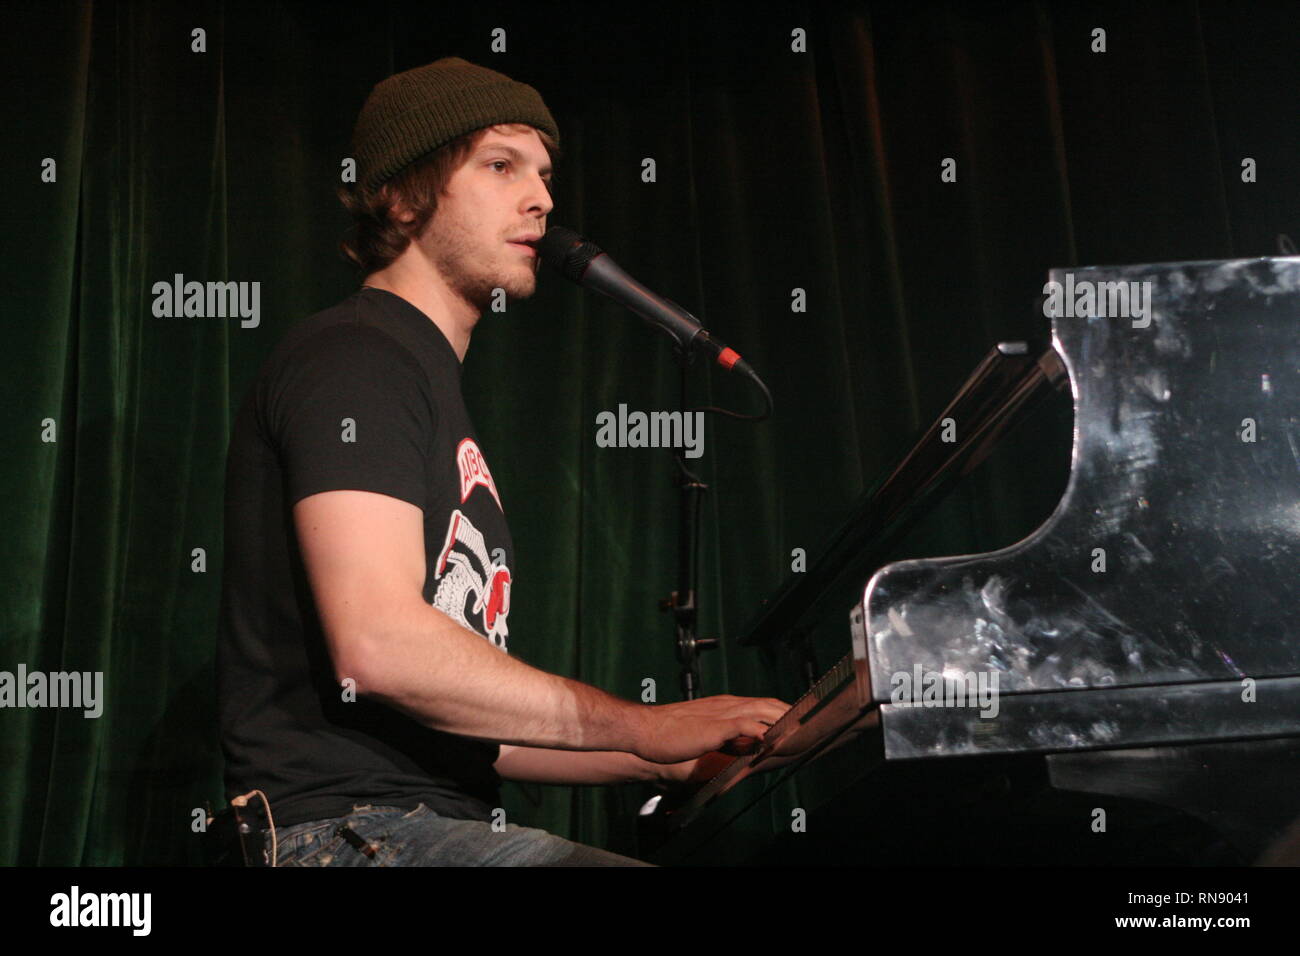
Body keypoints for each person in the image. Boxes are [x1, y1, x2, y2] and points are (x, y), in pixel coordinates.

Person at [215, 56, 787, 867]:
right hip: (345, 835)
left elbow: (481, 731)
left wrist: (667, 754)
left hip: (426, 824)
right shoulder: (354, 357)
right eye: (500, 164)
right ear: (405, 194)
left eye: (546, 173)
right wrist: (647, 723)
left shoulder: (427, 387)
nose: (543, 199)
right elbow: (378, 647)